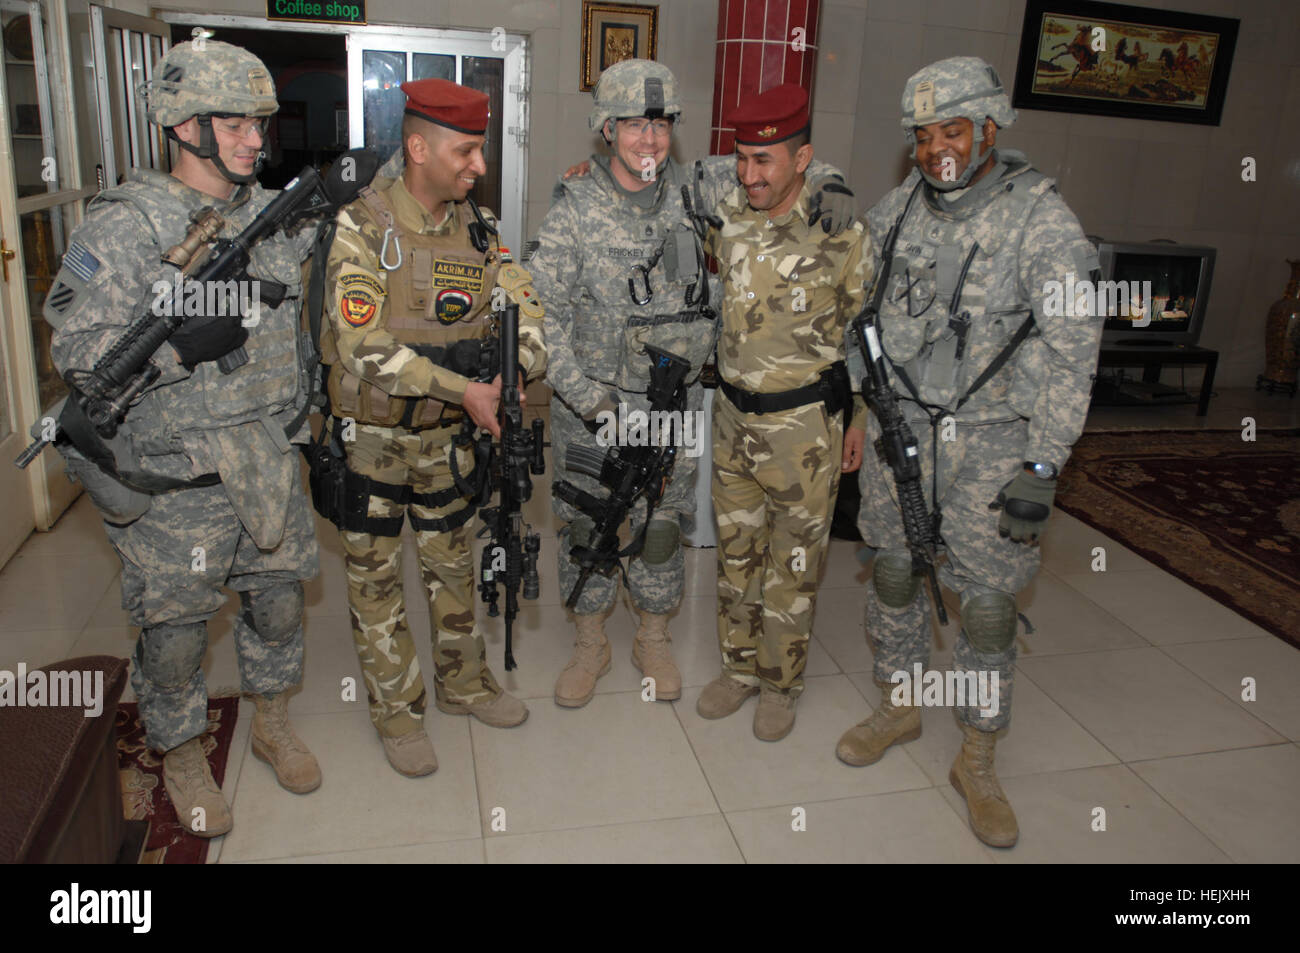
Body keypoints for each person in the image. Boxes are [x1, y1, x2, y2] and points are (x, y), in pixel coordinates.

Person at [47, 40, 323, 838]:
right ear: (184, 126)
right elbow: (78, 354)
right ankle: (180, 751)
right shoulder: (129, 224)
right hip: (180, 482)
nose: (253, 140)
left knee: (277, 606)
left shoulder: (267, 214)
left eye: (259, 123)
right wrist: (174, 349)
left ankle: (271, 719)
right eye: (234, 122)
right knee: (173, 634)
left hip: (266, 458)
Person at [835, 57, 1104, 848]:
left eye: (952, 130)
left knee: (986, 610)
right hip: (900, 431)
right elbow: (855, 304)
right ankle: (899, 702)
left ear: (989, 128)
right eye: (922, 135)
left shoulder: (1041, 219)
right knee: (892, 570)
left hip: (995, 444)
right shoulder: (898, 209)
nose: (935, 149)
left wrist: (1046, 463)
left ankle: (978, 756)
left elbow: (1073, 349)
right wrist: (857, 399)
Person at [534, 61, 856, 709]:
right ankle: (591, 639)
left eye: (659, 124)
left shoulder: (704, 187)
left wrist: (830, 184)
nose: (648, 140)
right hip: (592, 408)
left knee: (661, 526)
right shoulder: (574, 210)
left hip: (671, 409)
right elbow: (540, 321)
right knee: (587, 528)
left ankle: (653, 635)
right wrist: (592, 402)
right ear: (606, 129)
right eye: (632, 125)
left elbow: (776, 168)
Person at [321, 78, 546, 777]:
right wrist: (464, 388)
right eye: (467, 150)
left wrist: (515, 371)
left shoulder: (478, 231)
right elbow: (363, 346)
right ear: (418, 147)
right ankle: (397, 710)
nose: (478, 165)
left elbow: (528, 314)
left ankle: (465, 682)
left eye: (479, 149)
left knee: (454, 564)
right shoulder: (360, 227)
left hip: (450, 440)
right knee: (375, 579)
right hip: (374, 442)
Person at [695, 84, 872, 741]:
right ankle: (739, 669)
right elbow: (669, 178)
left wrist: (859, 417)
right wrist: (594, 166)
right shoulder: (728, 210)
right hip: (734, 417)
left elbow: (867, 329)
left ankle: (780, 682)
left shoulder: (840, 228)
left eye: (765, 160)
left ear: (803, 161)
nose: (749, 174)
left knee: (793, 564)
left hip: (805, 429)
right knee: (737, 555)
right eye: (742, 158)